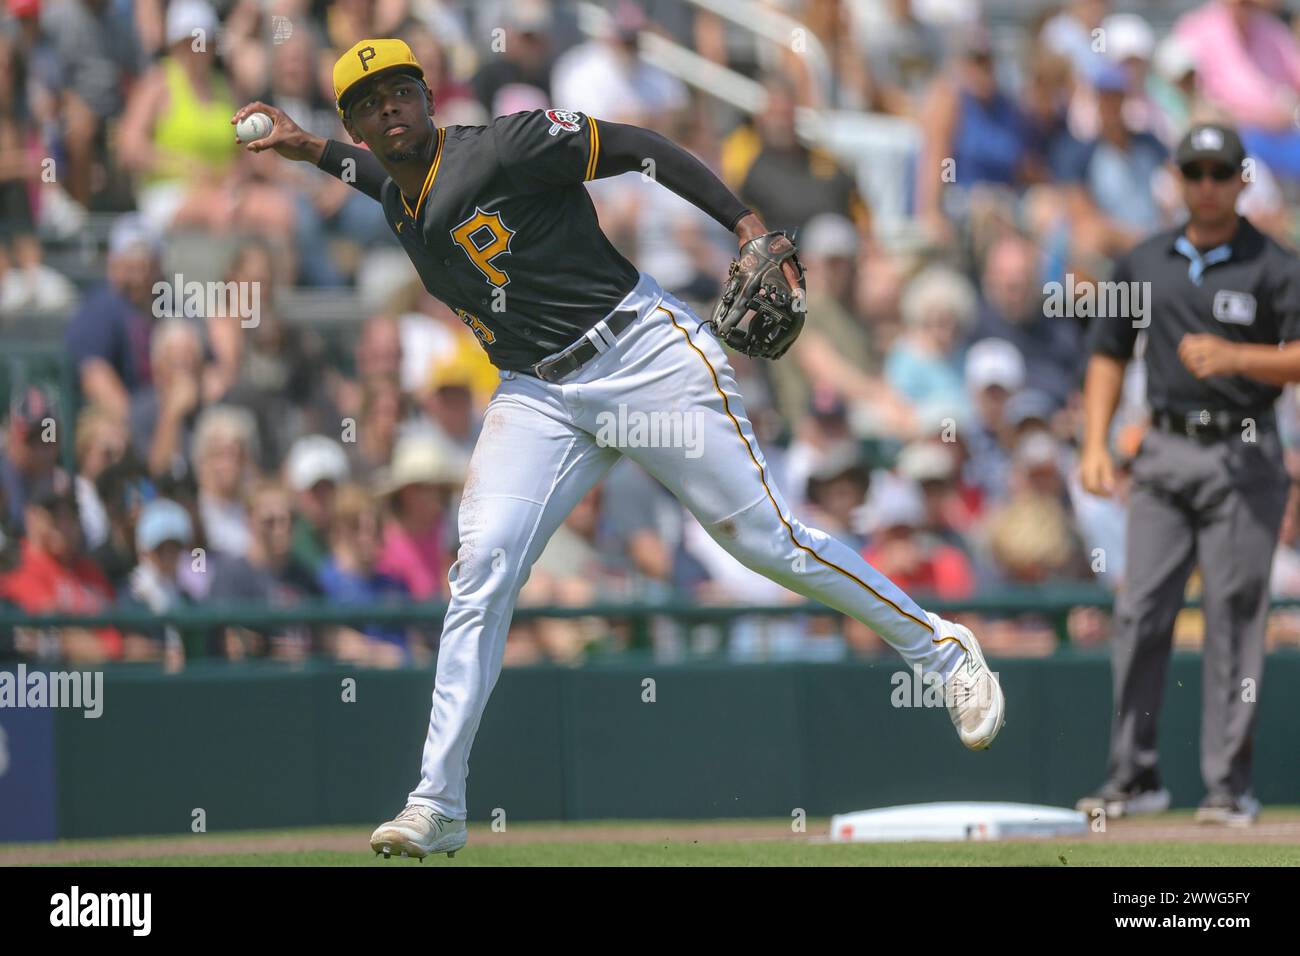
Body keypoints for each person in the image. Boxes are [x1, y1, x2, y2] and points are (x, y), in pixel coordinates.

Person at [234, 36, 1005, 860]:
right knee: (482, 568)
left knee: (764, 540)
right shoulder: (395, 192)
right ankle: (439, 802)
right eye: (367, 105)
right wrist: (306, 146)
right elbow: (373, 176)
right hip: (536, 390)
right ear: (356, 125)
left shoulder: (508, 143)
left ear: (427, 97)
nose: (388, 110)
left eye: (399, 92)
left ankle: (941, 648)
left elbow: (641, 148)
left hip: (640, 352)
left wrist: (746, 226)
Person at [1077, 123, 1300, 826]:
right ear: (1176, 177)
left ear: (1241, 179)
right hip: (1164, 451)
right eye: (1194, 170)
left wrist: (1240, 360)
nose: (1206, 183)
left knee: (1235, 619)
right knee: (1140, 611)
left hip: (1244, 451)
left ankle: (1228, 787)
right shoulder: (1142, 261)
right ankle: (1132, 775)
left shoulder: (1276, 264)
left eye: (1219, 170)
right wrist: (1095, 440)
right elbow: (1108, 353)